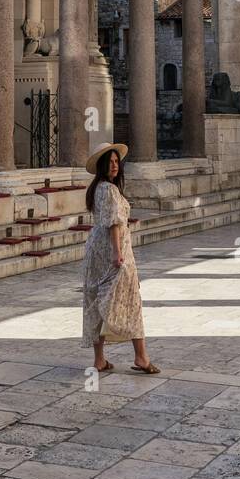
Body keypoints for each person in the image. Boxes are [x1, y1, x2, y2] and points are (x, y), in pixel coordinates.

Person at [80, 141, 159, 374]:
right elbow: (114, 223)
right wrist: (117, 253)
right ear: (103, 165)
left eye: (117, 162)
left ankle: (100, 360)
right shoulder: (109, 190)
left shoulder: (99, 189)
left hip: (97, 252)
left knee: (97, 301)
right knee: (131, 300)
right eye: (110, 162)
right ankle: (141, 357)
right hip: (113, 251)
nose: (115, 166)